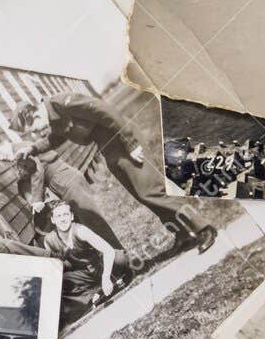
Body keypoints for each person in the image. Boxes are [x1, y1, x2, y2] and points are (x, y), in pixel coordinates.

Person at [12, 92, 217, 255]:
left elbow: (107, 112)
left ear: (36, 115)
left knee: (152, 192)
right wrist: (32, 149)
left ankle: (202, 228)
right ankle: (182, 234)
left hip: (123, 141)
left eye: (33, 129)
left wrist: (131, 143)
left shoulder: (63, 103)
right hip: (109, 148)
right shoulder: (54, 118)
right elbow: (55, 138)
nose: (36, 134)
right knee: (142, 196)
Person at [38, 201, 133, 310]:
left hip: (100, 266)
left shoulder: (80, 231)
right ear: (53, 220)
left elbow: (108, 251)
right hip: (84, 273)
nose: (63, 219)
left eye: (66, 215)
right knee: (60, 282)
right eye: (58, 216)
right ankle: (93, 296)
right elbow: (57, 268)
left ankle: (113, 280)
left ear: (72, 216)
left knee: (119, 258)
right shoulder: (49, 240)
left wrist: (105, 277)